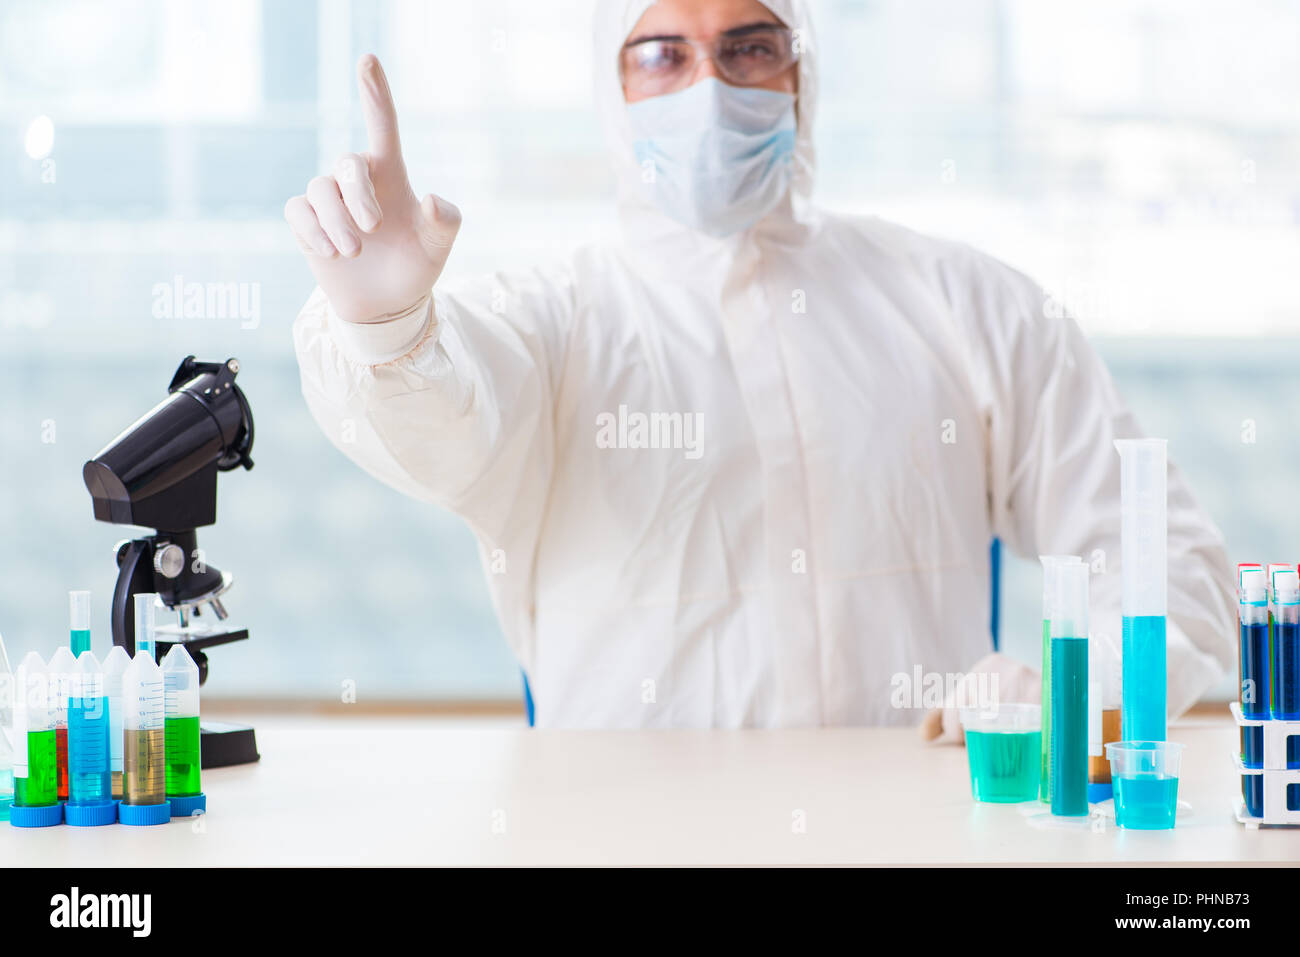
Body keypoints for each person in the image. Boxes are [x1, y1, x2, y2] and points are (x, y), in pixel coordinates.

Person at [286, 0, 1235, 730]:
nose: (709, 86)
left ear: (800, 74)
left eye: (749, 46)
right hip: (621, 842)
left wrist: (1080, 699)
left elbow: (1166, 561)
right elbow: (449, 420)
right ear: (609, 90)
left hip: (917, 837)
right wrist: (392, 327)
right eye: (662, 53)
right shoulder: (555, 319)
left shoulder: (965, 303)